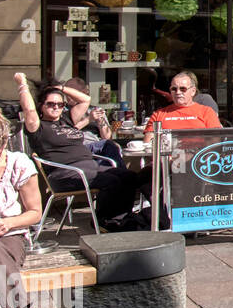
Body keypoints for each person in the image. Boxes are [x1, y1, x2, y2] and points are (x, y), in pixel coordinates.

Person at [0, 105, 64, 308]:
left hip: (8, 239)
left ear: (4, 144)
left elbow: (35, 213)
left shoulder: (18, 164)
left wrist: (8, 222)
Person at [16, 73, 148, 225]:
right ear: (41, 106)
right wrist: (22, 84)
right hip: (64, 174)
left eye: (60, 104)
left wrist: (59, 88)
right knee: (111, 181)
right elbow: (29, 111)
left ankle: (122, 218)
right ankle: (104, 221)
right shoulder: (38, 127)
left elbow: (85, 99)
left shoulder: (66, 119)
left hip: (89, 167)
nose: (56, 107)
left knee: (128, 176)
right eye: (51, 104)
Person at [142, 71, 220, 144]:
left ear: (193, 91)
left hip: (197, 156)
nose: (178, 92)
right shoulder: (158, 114)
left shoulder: (207, 112)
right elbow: (148, 143)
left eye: (183, 89)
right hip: (168, 156)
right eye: (174, 89)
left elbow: (215, 142)